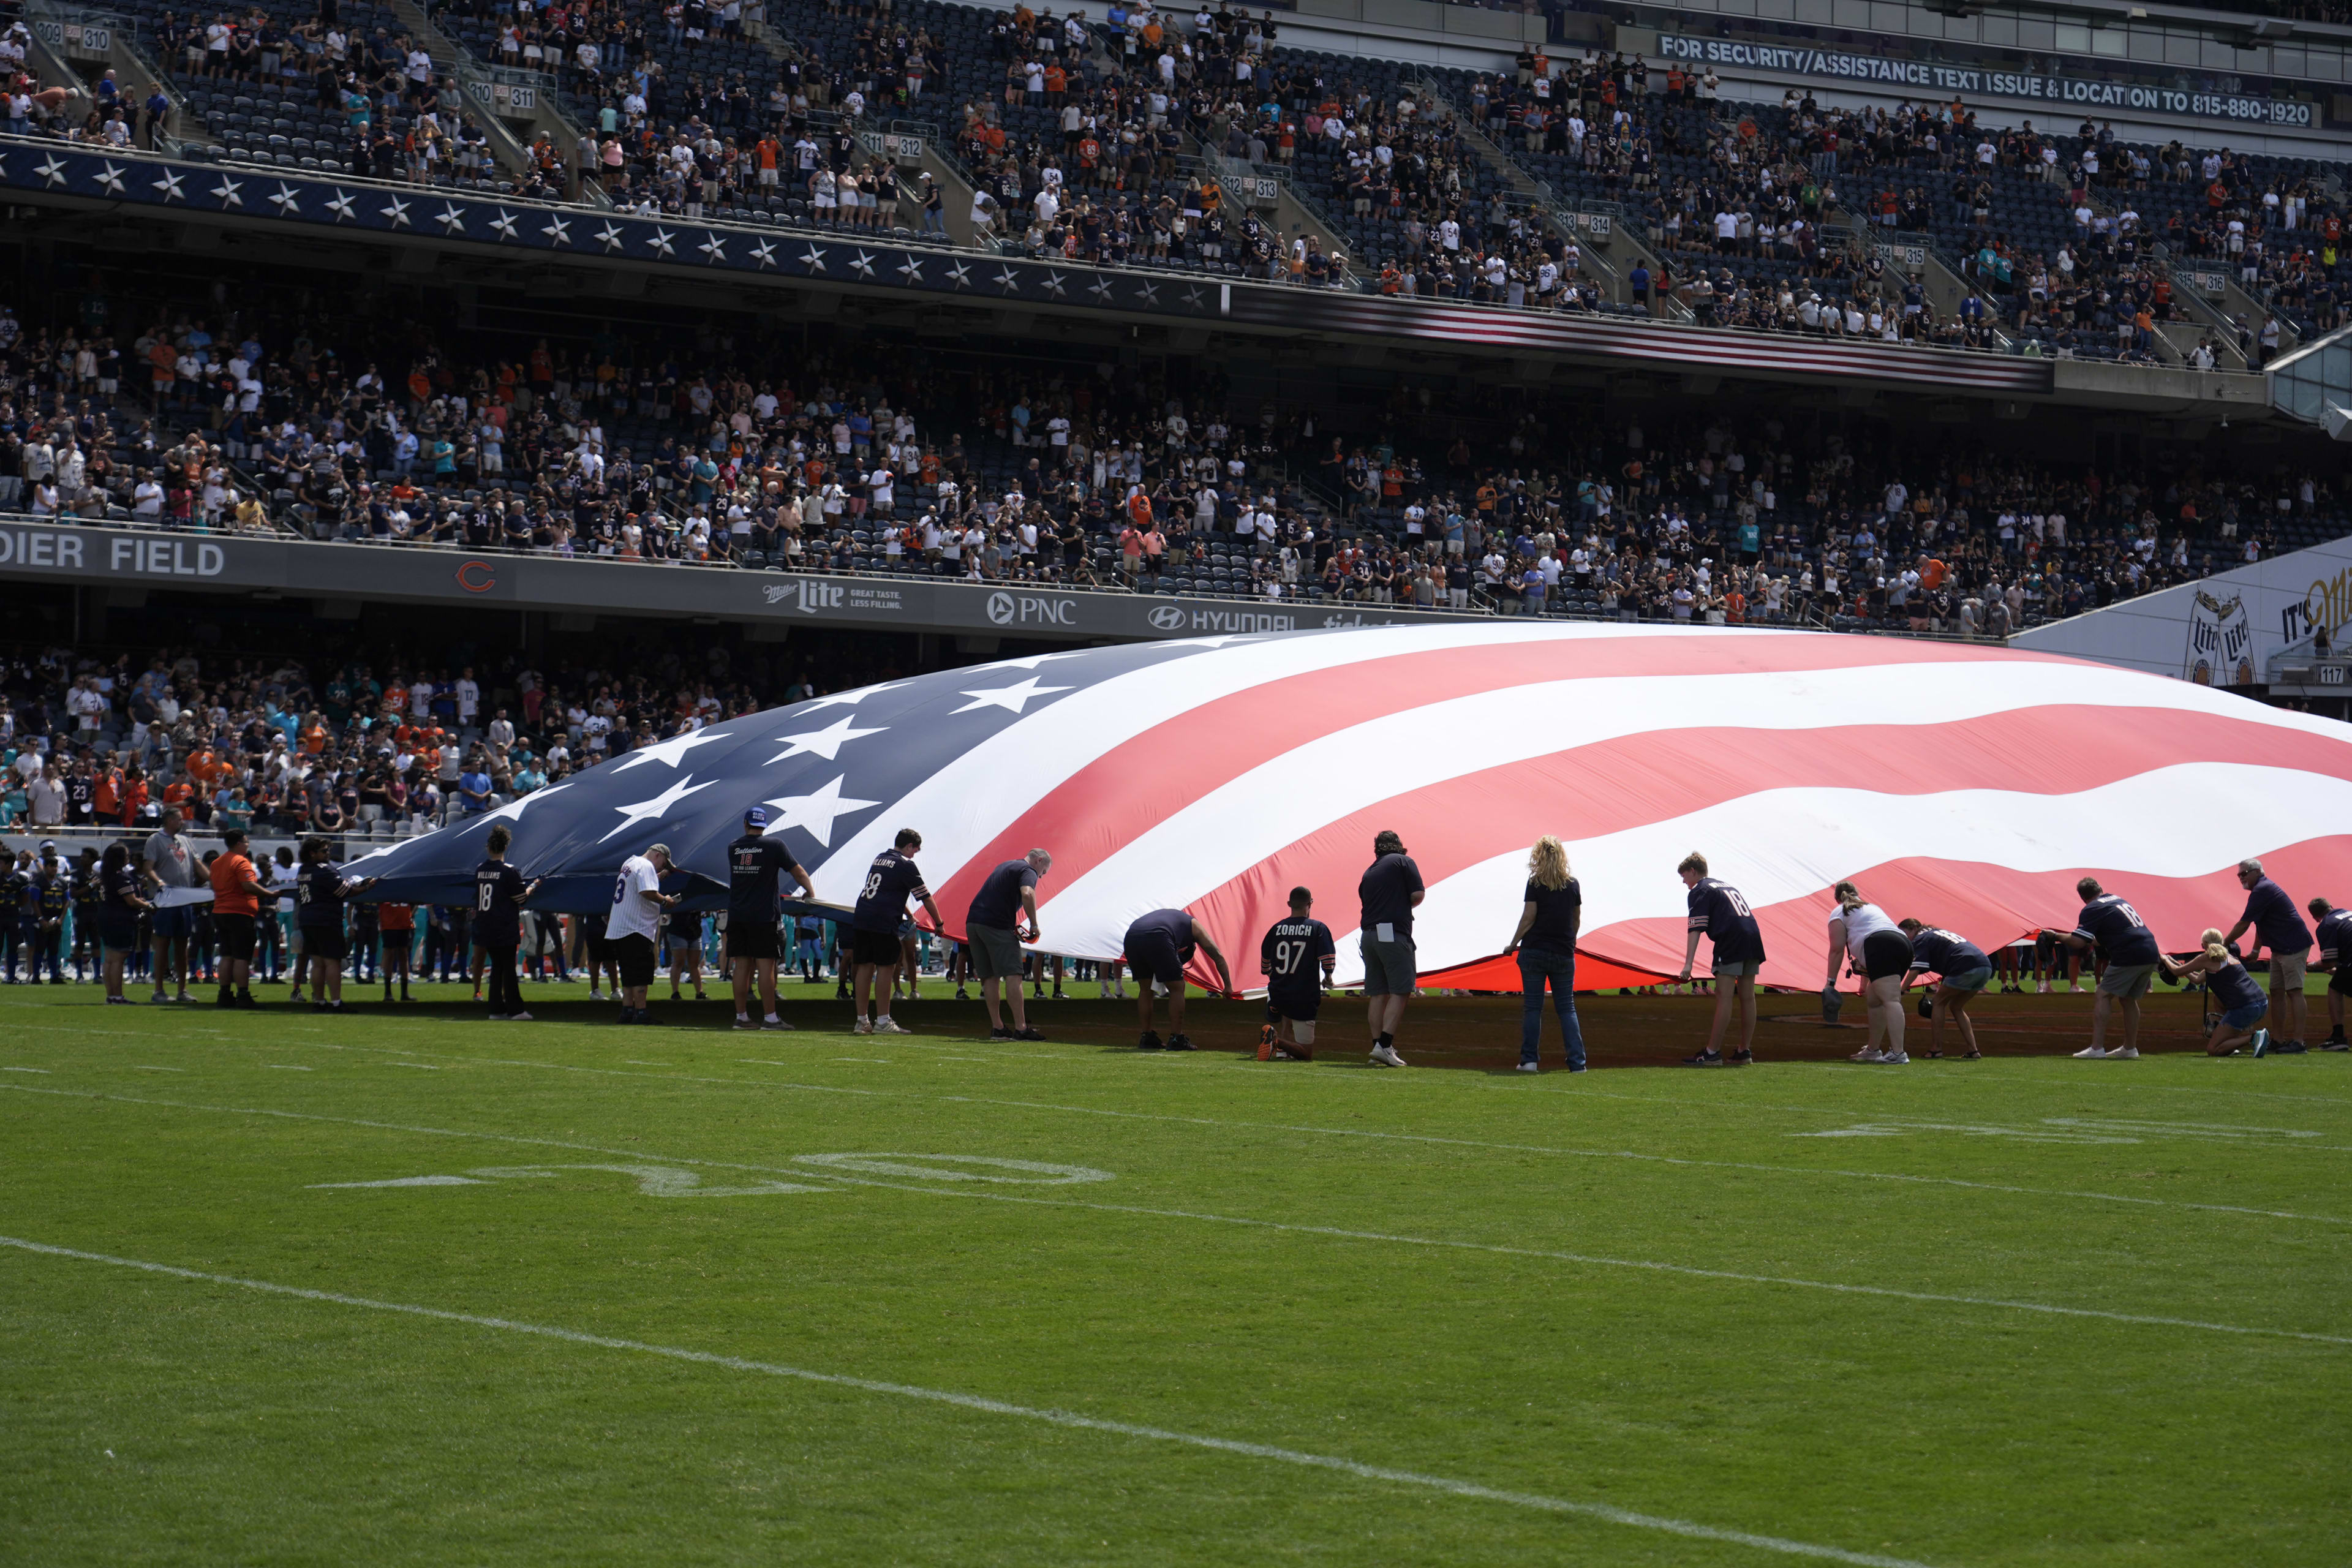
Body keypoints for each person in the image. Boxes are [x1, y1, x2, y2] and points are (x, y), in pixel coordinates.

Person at [725, 805, 813, 1031]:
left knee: (741, 966)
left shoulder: (733, 847)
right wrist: (810, 892)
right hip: (764, 915)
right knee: (766, 966)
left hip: (737, 914)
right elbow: (798, 871)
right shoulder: (774, 845)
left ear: (745, 824)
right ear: (764, 826)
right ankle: (770, 1018)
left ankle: (741, 1017)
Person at [1502, 835, 1585, 1072]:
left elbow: (1529, 917)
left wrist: (1513, 943)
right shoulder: (1573, 884)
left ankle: (1529, 1060)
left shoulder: (1535, 883)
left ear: (1538, 856)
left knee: (1533, 1008)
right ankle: (1577, 1063)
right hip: (1563, 952)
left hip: (1535, 950)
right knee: (1567, 1008)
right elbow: (1575, 919)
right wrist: (1570, 940)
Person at [850, 827, 943, 1036]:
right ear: (909, 846)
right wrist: (939, 922)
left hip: (863, 914)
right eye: (915, 851)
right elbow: (925, 896)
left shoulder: (879, 858)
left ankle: (862, 1021)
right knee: (886, 967)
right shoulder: (905, 864)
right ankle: (883, 1021)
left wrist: (908, 913)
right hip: (883, 919)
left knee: (865, 967)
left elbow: (887, 890)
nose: (914, 855)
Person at [2054, 876, 2160, 1060]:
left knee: (2103, 994)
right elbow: (2101, 939)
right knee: (2128, 999)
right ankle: (2130, 1048)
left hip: (2129, 952)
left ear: (2082, 897)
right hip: (2150, 949)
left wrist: (2056, 936)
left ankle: (2097, 1048)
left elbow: (2078, 942)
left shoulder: (2092, 908)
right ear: (2100, 888)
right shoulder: (2117, 899)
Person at [1675, 851, 1765, 1065]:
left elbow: (1695, 929)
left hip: (1731, 940)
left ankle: (1712, 1052)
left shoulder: (1700, 890)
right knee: (1748, 997)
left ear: (1694, 872)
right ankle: (1744, 1050)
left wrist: (1688, 964)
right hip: (1752, 936)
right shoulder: (1725, 885)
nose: (1683, 881)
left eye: (1684, 876)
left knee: (1724, 996)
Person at [2223, 857, 2309, 1055]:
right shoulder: (2261, 890)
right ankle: (2278, 1040)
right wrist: (2255, 950)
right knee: (2277, 991)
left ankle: (2299, 1042)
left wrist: (2224, 943)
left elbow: (2244, 923)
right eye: (2239, 875)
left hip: (2293, 945)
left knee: (2294, 991)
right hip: (2280, 947)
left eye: (2244, 874)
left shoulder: (2263, 889)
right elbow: (2260, 924)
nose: (2241, 878)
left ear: (2257, 872)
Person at [965, 848, 1050, 1041]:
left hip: (973, 922)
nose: (1041, 877)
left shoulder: (1006, 864)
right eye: (1043, 872)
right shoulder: (1028, 870)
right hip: (996, 924)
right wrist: (1034, 925)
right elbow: (1027, 894)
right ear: (1039, 860)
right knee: (1014, 974)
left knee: (989, 977)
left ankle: (998, 1027)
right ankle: (1021, 1028)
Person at [1121, 907, 1233, 1050]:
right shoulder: (1195, 927)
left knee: (1146, 989)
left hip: (1132, 936)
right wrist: (1228, 985)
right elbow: (1218, 956)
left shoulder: (1176, 922)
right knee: (1177, 988)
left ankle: (1146, 1036)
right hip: (1159, 936)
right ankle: (1177, 1038)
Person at [1826, 881, 1912, 1065]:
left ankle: (1899, 1053)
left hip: (1881, 945)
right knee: (1874, 998)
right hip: (1903, 944)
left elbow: (1837, 950)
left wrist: (1830, 982)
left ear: (1837, 899)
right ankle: (1873, 1050)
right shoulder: (1872, 907)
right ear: (1857, 894)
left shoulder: (1839, 912)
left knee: (1891, 1000)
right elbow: (1870, 943)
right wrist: (1864, 984)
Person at [1358, 828, 1422, 1068]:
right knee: (1401, 989)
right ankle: (1384, 1045)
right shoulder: (1404, 861)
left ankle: (1378, 1045)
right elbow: (1417, 894)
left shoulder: (1369, 872)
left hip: (1368, 934)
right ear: (1398, 844)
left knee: (1378, 993)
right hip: (1391, 933)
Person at [2158, 929, 2271, 1056]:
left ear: (2204, 944)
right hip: (2262, 1003)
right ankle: (2230, 1043)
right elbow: (2197, 979)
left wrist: (2164, 958)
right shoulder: (2229, 957)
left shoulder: (2207, 958)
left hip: (2246, 1007)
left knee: (2213, 1049)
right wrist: (2172, 962)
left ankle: (2253, 1037)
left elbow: (2177, 972)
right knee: (2218, 1000)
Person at [1258, 886, 1334, 1061]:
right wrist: (1328, 977)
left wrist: (1275, 977)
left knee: (1287, 1011)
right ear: (1311, 903)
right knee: (1306, 1054)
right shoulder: (1318, 928)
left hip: (1278, 992)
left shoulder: (1276, 928)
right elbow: (1328, 959)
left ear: (1289, 904)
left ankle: (1282, 1051)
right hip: (1305, 994)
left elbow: (1265, 963)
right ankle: (1278, 1042)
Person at [1898, 918, 1992, 1059]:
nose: (1904, 939)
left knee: (1938, 1003)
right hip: (1985, 965)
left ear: (1913, 929)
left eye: (1904, 934)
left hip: (1964, 965)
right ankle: (1973, 1050)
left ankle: (1936, 1049)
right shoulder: (1936, 933)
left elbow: (1916, 969)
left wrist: (1902, 989)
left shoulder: (1921, 938)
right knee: (1956, 1006)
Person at [475, 823, 541, 1020]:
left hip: (485, 925)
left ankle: (496, 1008)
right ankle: (516, 1009)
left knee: (497, 967)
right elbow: (521, 898)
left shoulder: (480, 870)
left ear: (489, 847)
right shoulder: (509, 871)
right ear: (506, 846)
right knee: (508, 969)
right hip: (504, 925)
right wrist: (534, 886)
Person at [606, 842, 677, 1024]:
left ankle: (627, 1010)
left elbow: (638, 885)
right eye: (663, 864)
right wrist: (665, 901)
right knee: (640, 973)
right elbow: (646, 891)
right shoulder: (646, 866)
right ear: (657, 856)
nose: (662, 867)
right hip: (636, 927)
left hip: (621, 927)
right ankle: (641, 1012)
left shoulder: (630, 863)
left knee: (628, 972)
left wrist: (658, 877)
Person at [140, 805, 204, 1003]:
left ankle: (182, 990)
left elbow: (198, 865)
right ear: (168, 821)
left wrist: (216, 881)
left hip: (185, 898)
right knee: (162, 944)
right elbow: (148, 868)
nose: (182, 822)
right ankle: (158, 990)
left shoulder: (185, 841)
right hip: (166, 899)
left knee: (182, 945)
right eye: (178, 819)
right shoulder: (155, 840)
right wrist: (159, 882)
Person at [207, 827, 266, 1008]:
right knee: (242, 957)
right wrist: (269, 894)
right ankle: (243, 995)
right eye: (246, 842)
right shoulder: (241, 861)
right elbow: (248, 885)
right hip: (239, 914)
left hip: (221, 911)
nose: (248, 845)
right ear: (239, 843)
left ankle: (224, 994)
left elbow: (212, 885)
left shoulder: (217, 862)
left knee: (227, 954)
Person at [293, 835, 352, 1011]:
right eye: (324, 851)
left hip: (308, 919)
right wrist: (366, 887)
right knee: (332, 962)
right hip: (326, 920)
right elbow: (344, 891)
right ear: (313, 853)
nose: (328, 854)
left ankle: (319, 1001)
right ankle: (336, 1002)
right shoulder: (325, 870)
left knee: (317, 964)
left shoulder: (303, 869)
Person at [97, 841, 151, 1005]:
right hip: (120, 921)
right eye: (127, 855)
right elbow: (131, 901)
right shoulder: (121, 877)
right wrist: (149, 905)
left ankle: (111, 996)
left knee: (109, 959)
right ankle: (118, 996)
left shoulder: (106, 876)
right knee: (118, 959)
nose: (129, 858)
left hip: (105, 919)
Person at [2309, 896, 2352, 1050]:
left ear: (2315, 917)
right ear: (2331, 906)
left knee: (2335, 989)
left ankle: (2338, 1037)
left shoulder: (2326, 925)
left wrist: (2311, 965)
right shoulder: (2347, 913)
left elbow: (2329, 961)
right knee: (2340, 981)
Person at [378, 898, 416, 1001]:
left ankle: (405, 993)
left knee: (404, 956)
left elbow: (415, 901)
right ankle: (388, 993)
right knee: (389, 956)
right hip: (389, 924)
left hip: (404, 924)